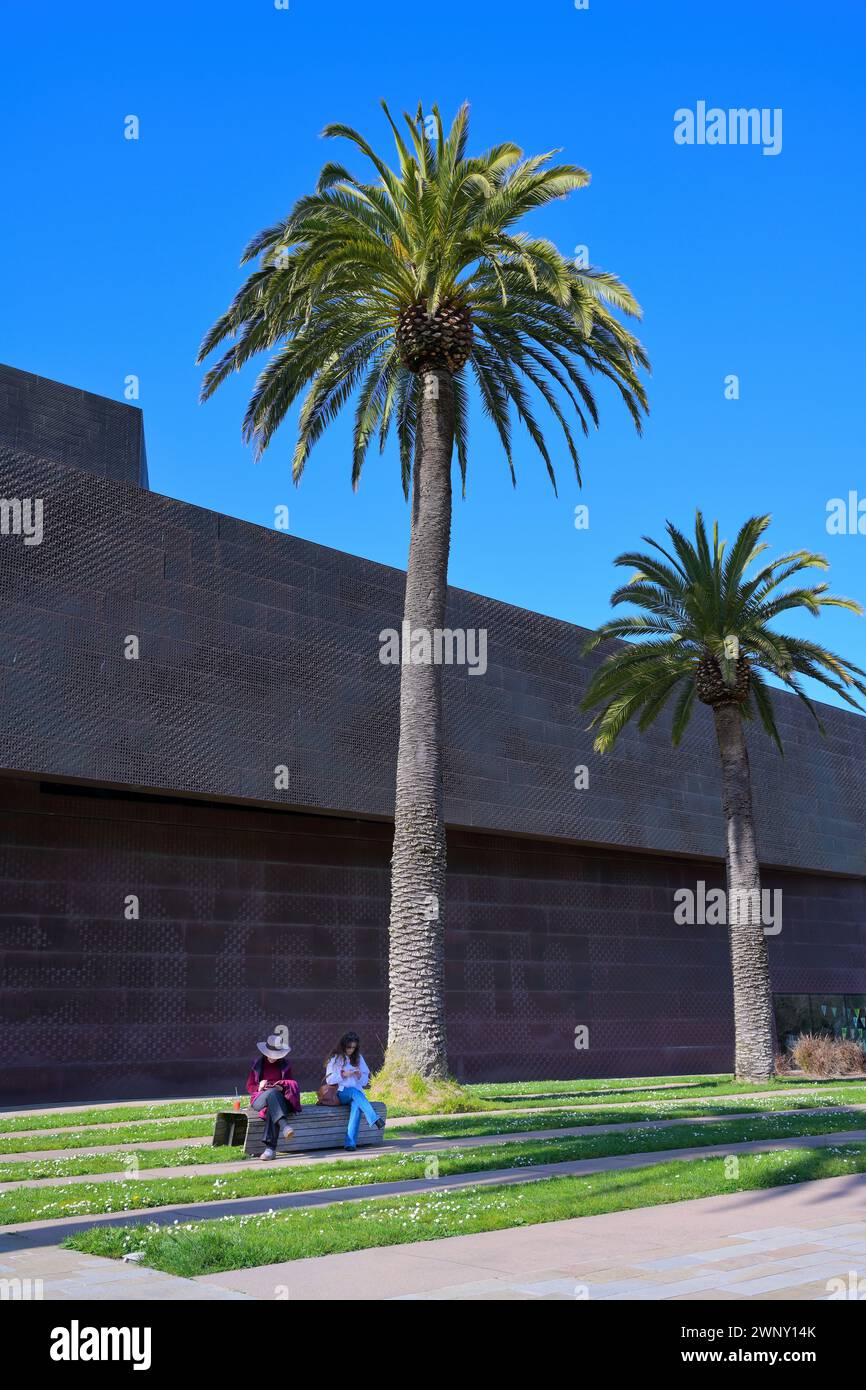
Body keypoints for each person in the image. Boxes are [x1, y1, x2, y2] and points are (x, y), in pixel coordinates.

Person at [324, 1032, 385, 1150]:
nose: (351, 1050)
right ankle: (373, 1118)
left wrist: (359, 1075)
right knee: (353, 1091)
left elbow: (364, 1082)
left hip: (356, 1095)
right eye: (348, 1047)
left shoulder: (359, 1058)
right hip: (340, 1093)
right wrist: (343, 1074)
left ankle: (350, 1143)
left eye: (353, 1047)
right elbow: (329, 1080)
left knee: (356, 1107)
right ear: (343, 1046)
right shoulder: (335, 1058)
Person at [246, 1032, 301, 1160]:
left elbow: (290, 1083)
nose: (273, 1058)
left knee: (273, 1100)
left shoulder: (285, 1065)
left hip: (278, 1100)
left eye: (276, 1055)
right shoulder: (257, 1064)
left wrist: (281, 1087)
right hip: (259, 1098)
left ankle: (270, 1149)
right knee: (271, 1094)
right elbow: (249, 1086)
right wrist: (259, 1086)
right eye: (270, 1055)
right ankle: (284, 1126)